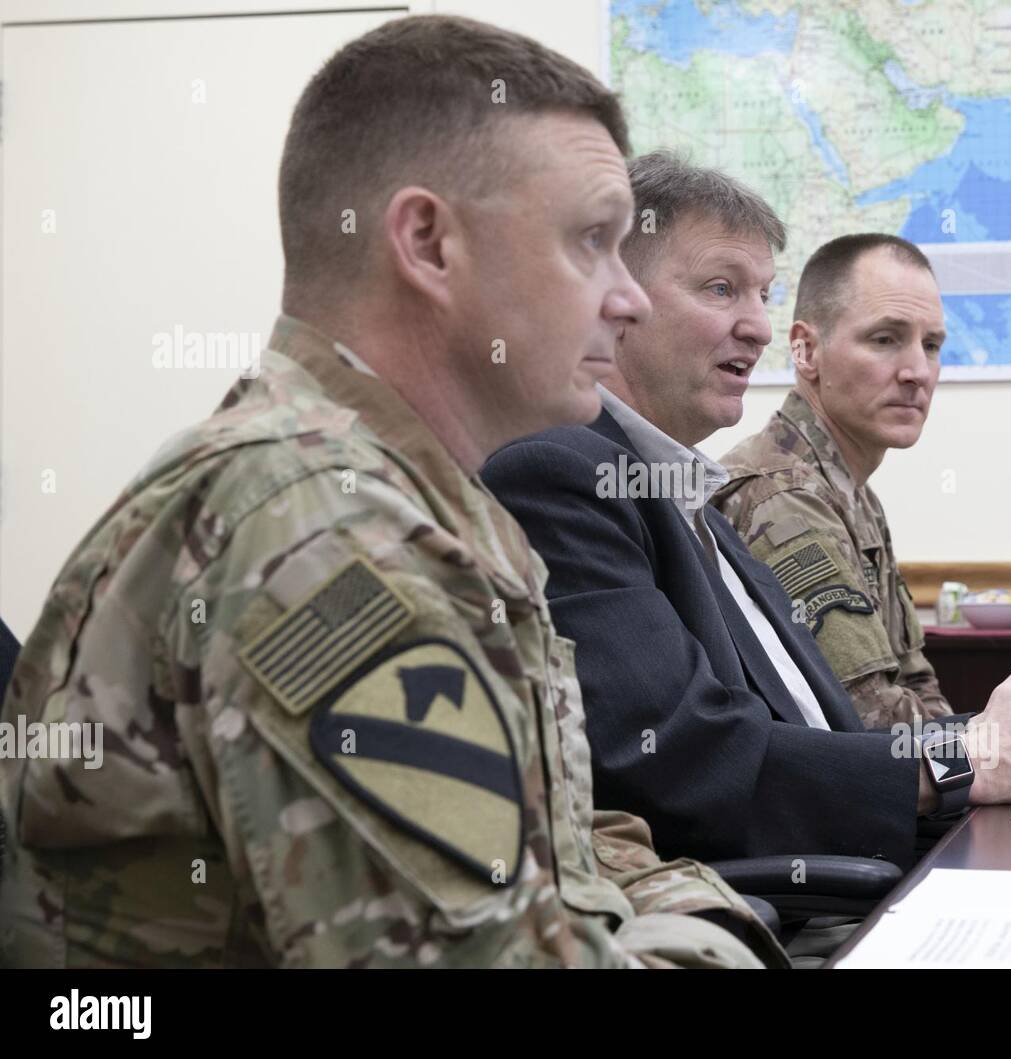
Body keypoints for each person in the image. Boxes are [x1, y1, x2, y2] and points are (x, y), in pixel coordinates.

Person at [0, 17, 782, 970]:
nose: (626, 298)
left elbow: (568, 841)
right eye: (592, 242)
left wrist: (679, 910)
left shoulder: (418, 501)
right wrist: (727, 936)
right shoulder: (323, 532)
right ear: (428, 243)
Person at [483, 151, 1011, 873]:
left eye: (763, 294)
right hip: (772, 912)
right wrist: (967, 758)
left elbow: (822, 727)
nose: (759, 327)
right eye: (722, 289)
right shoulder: (561, 472)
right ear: (617, 299)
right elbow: (682, 762)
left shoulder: (682, 491)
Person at [714, 234, 955, 727]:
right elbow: (870, 723)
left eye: (930, 345)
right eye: (885, 339)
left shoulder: (852, 490)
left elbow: (915, 683)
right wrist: (992, 747)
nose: (916, 371)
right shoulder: (783, 497)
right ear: (805, 350)